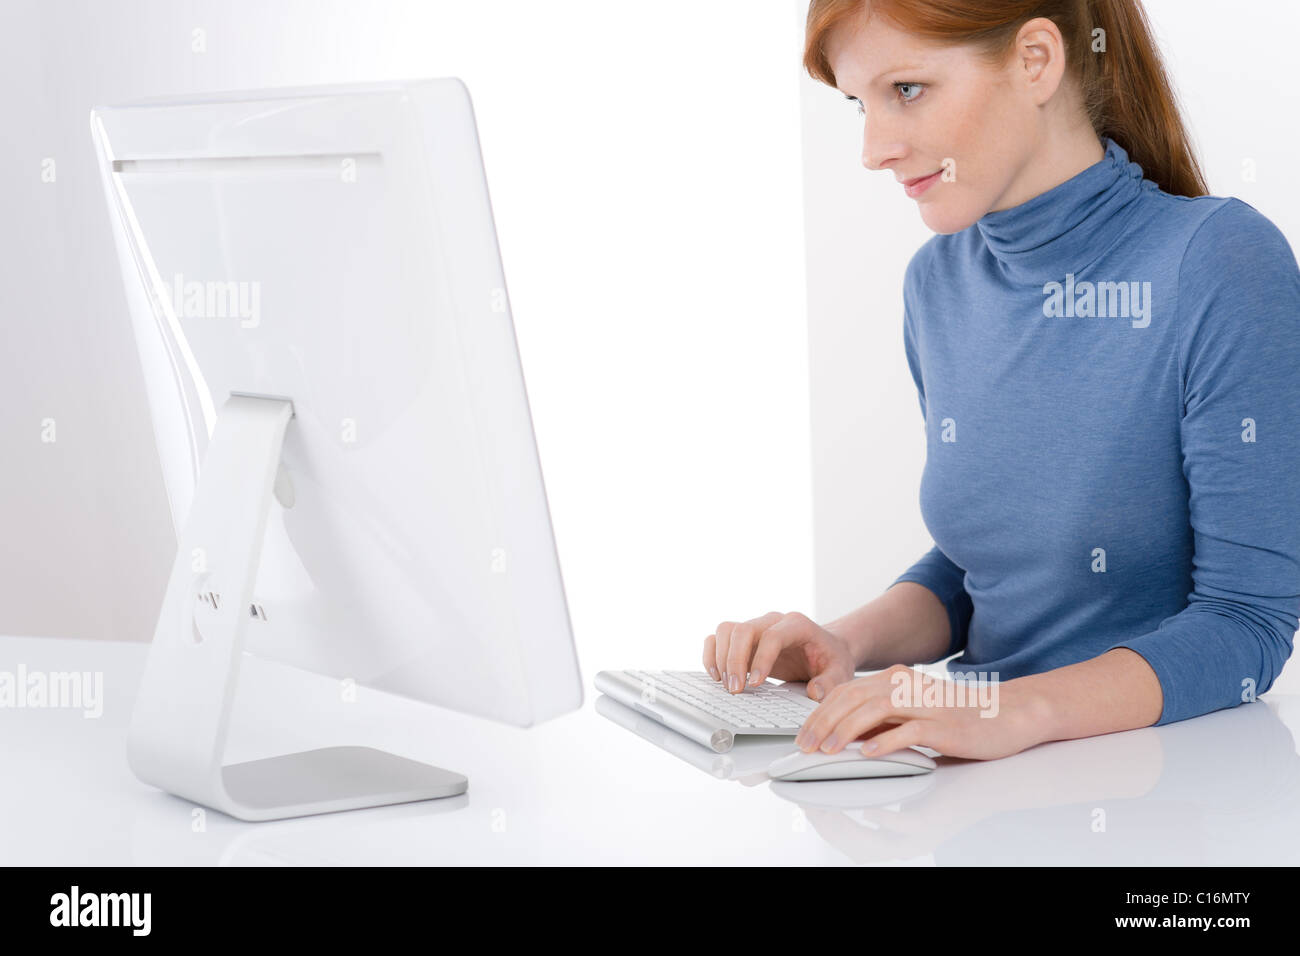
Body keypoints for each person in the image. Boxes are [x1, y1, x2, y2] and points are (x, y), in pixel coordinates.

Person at [704, 0, 1300, 762]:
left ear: (1036, 61)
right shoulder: (939, 284)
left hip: (1166, 794)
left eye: (907, 90)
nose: (873, 148)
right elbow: (981, 569)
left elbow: (1246, 623)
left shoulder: (1219, 263)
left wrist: (1004, 712)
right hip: (977, 791)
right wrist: (843, 642)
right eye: (860, 103)